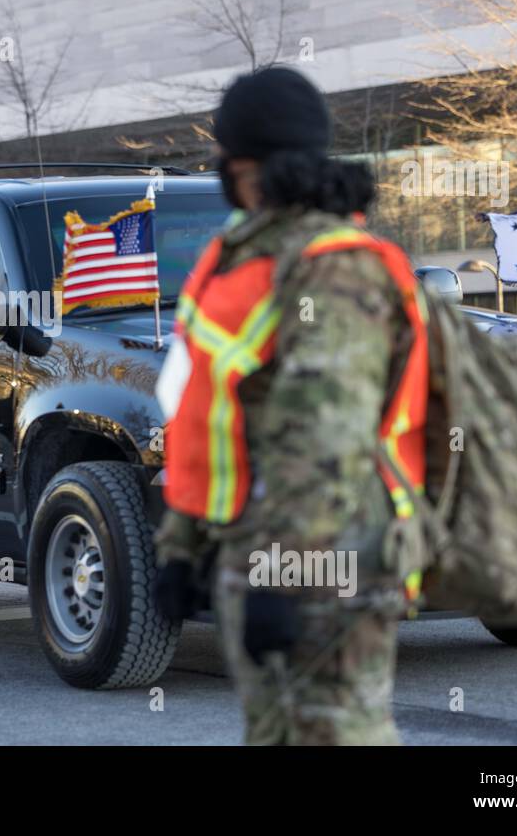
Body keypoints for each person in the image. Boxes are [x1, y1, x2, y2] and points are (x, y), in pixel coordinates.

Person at [153, 67, 426, 745]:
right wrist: (182, 548)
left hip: (331, 555)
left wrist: (285, 566)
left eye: (220, 152)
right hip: (256, 554)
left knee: (340, 734)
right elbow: (212, 417)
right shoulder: (239, 258)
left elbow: (324, 434)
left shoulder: (335, 268)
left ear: (244, 164)